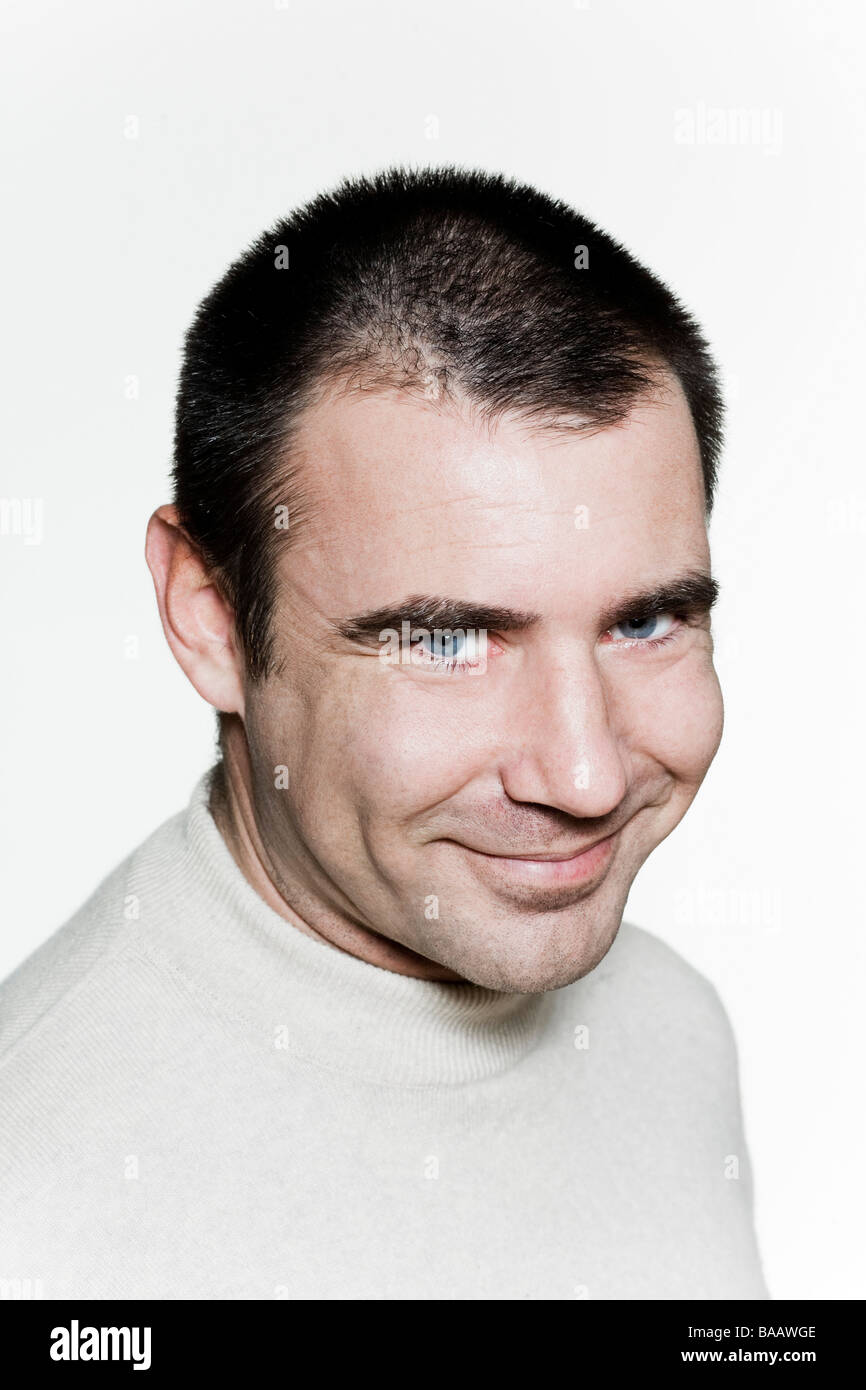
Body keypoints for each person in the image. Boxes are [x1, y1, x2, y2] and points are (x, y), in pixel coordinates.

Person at [0, 166, 769, 1299]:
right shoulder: (34, 1204)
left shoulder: (672, 1029)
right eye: (449, 642)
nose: (586, 774)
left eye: (644, 620)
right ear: (209, 617)